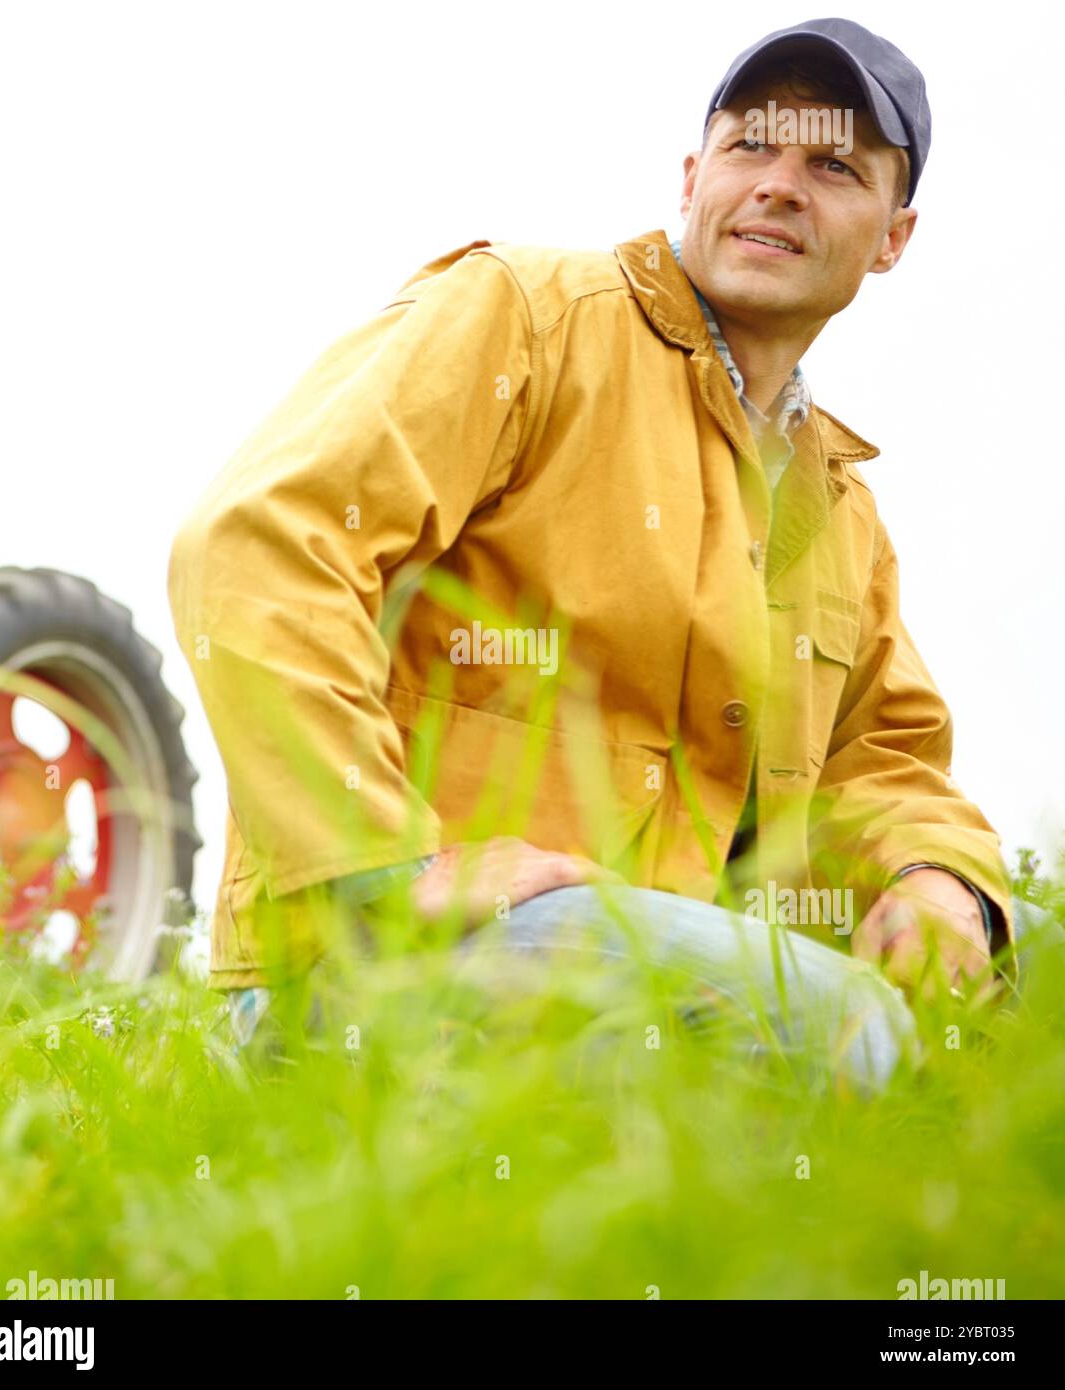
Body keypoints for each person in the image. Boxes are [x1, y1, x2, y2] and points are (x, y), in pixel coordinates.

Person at [167, 18, 1045, 1090]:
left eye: (832, 165)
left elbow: (882, 758)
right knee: (848, 1029)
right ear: (693, 177)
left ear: (895, 236)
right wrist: (390, 867)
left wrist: (938, 885)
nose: (778, 184)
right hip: (383, 963)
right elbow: (260, 544)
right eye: (750, 147)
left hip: (650, 965)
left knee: (1023, 992)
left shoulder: (834, 508)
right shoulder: (527, 319)